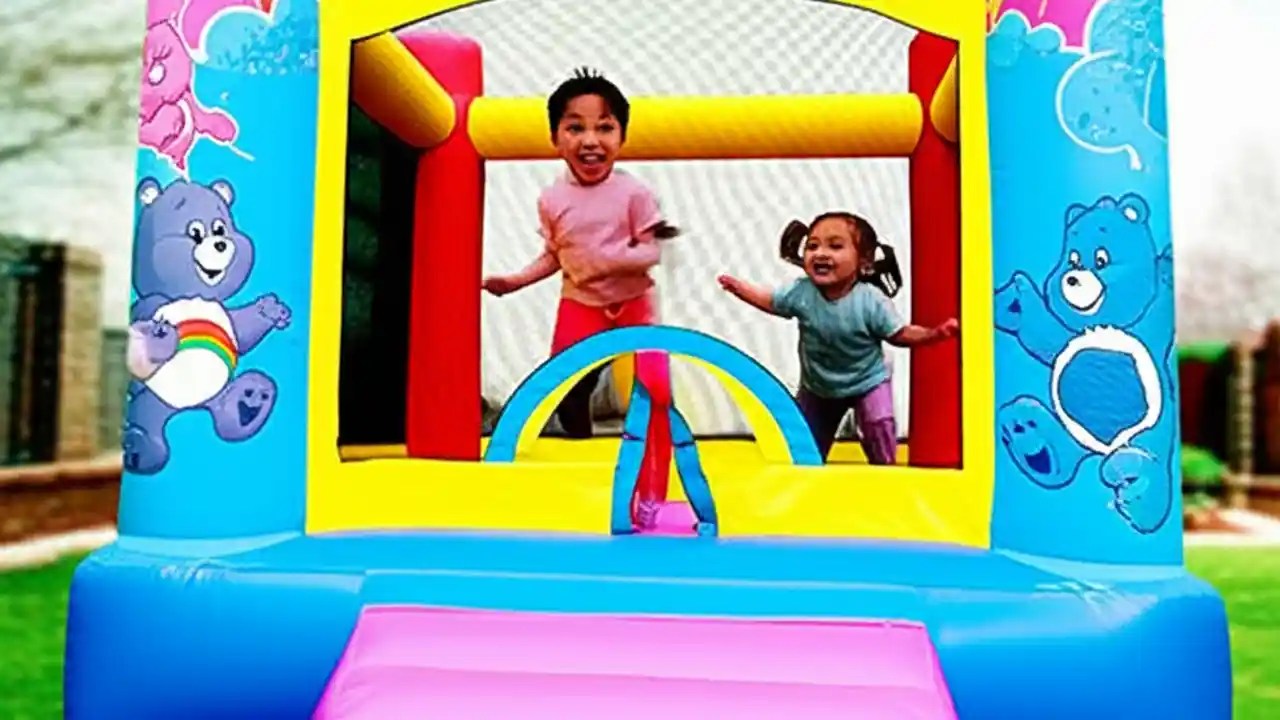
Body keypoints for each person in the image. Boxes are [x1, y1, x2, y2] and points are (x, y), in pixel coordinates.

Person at [482, 67, 677, 528]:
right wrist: (516, 281)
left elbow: (649, 252)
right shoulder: (552, 200)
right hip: (581, 305)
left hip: (633, 305)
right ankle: (578, 453)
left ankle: (655, 488)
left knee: (657, 389)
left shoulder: (634, 194)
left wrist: (607, 258)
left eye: (604, 127)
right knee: (565, 383)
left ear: (621, 136)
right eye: (576, 127)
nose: (591, 139)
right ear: (555, 137)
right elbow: (555, 255)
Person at [718, 212, 958, 463]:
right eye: (812, 246)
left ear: (864, 262)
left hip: (867, 381)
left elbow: (898, 334)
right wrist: (740, 289)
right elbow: (771, 301)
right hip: (819, 387)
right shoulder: (801, 292)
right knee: (806, 447)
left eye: (835, 246)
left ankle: (886, 471)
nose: (820, 253)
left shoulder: (870, 300)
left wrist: (933, 334)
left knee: (879, 423)